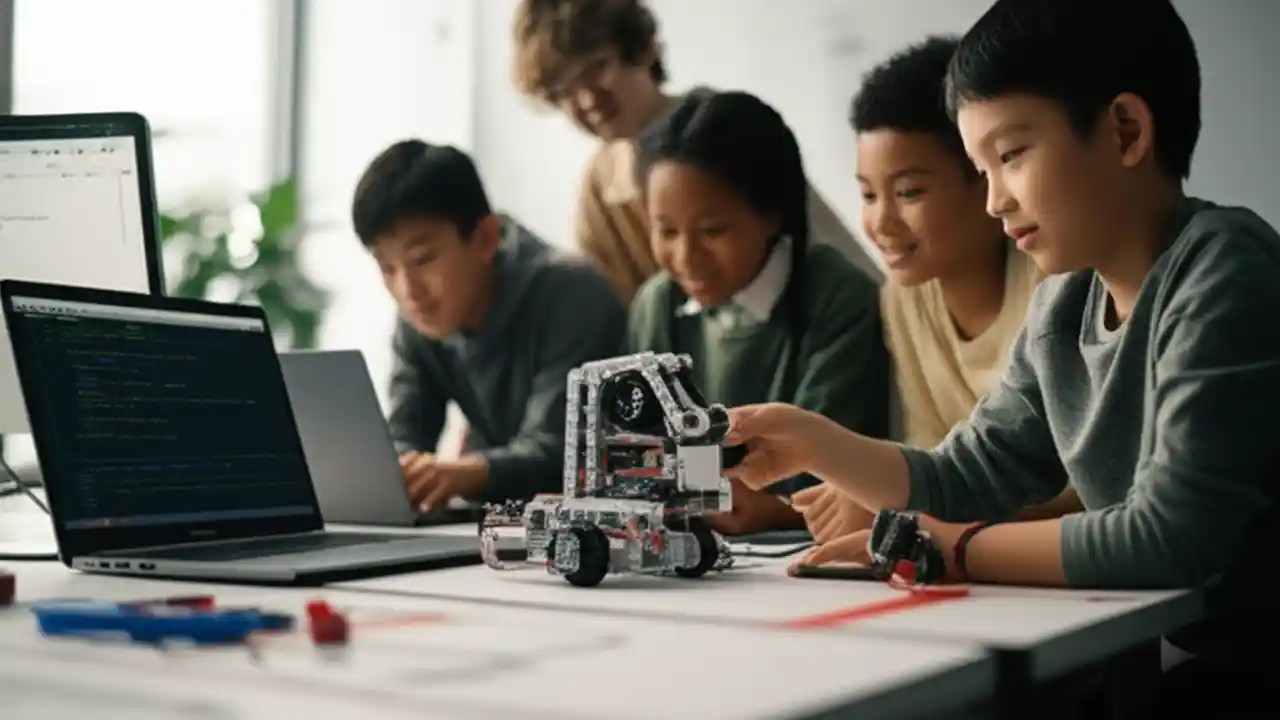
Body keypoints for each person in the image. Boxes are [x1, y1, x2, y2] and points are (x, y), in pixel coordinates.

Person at [723, 0, 1278, 616]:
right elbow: (960, 480)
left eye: (1011, 155)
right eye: (982, 169)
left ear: (1125, 131)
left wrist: (954, 549)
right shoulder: (1064, 305)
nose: (995, 203)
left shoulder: (1224, 269)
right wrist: (815, 444)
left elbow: (1171, 537)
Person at [796, 36, 1082, 545]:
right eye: (867, 193)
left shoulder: (1056, 284)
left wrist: (906, 514)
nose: (881, 221)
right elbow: (930, 456)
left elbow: (1081, 490)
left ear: (985, 177)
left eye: (909, 192)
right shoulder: (902, 298)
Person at [627, 90, 891, 536]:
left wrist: (776, 508)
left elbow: (821, 476)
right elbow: (640, 451)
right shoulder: (657, 304)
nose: (687, 256)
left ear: (772, 214)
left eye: (713, 230)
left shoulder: (838, 297)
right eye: (666, 230)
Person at [510, 0, 882, 306]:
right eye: (565, 89)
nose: (588, 99)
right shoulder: (598, 192)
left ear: (641, 48)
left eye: (597, 68)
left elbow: (829, 251)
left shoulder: (727, 131)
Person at [351, 139, 625, 510]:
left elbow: (564, 454)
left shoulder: (572, 294)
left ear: (484, 239)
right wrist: (400, 473)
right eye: (387, 268)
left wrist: (462, 473)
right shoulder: (419, 315)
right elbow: (406, 436)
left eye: (423, 258)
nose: (407, 289)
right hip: (495, 524)